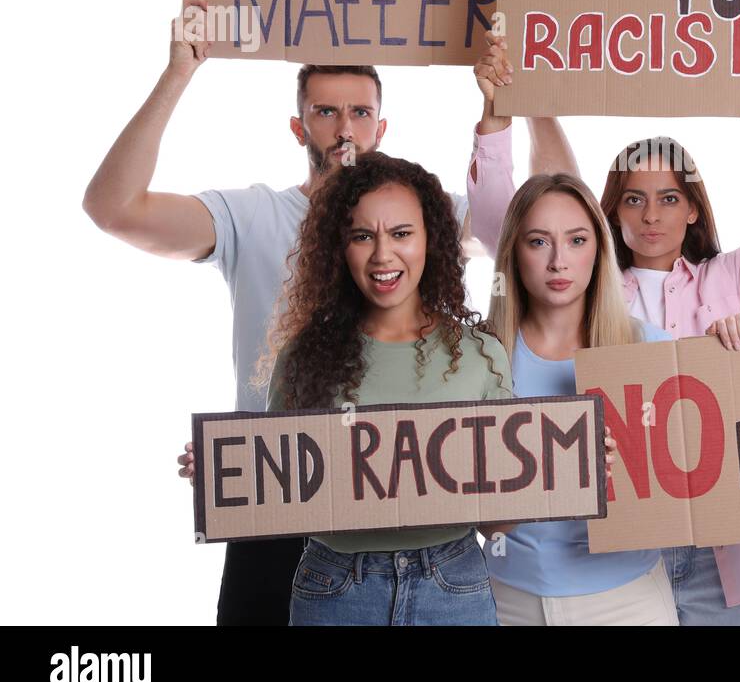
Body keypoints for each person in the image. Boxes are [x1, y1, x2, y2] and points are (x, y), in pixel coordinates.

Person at [85, 0, 569, 625]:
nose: (345, 128)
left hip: (423, 534)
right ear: (298, 126)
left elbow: (553, 217)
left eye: (361, 112)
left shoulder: (424, 218)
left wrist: (509, 101)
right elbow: (114, 208)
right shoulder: (251, 216)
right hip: (286, 497)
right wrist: (179, 72)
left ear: (382, 126)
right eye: (326, 112)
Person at [472, 30, 740, 625]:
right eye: (634, 199)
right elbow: (511, 220)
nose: (652, 214)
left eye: (668, 197)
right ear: (611, 209)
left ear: (692, 206)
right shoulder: (590, 288)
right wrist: (512, 106)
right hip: (612, 550)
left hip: (722, 551)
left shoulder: (738, 279)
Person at [188, 152, 509, 624]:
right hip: (336, 587)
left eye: (402, 234)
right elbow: (282, 497)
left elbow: (503, 518)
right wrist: (229, 474)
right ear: (340, 247)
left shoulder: (481, 355)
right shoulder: (304, 359)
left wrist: (572, 466)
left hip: (453, 583)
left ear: (432, 241)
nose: (383, 254)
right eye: (363, 236)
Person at [480, 172, 679, 625]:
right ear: (513, 251)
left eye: (576, 240)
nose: (558, 262)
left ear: (599, 250)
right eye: (538, 242)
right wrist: (550, 472)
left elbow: (689, 486)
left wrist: (735, 345)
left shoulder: (648, 347)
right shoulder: (482, 358)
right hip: (510, 599)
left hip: (629, 600)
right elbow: (480, 522)